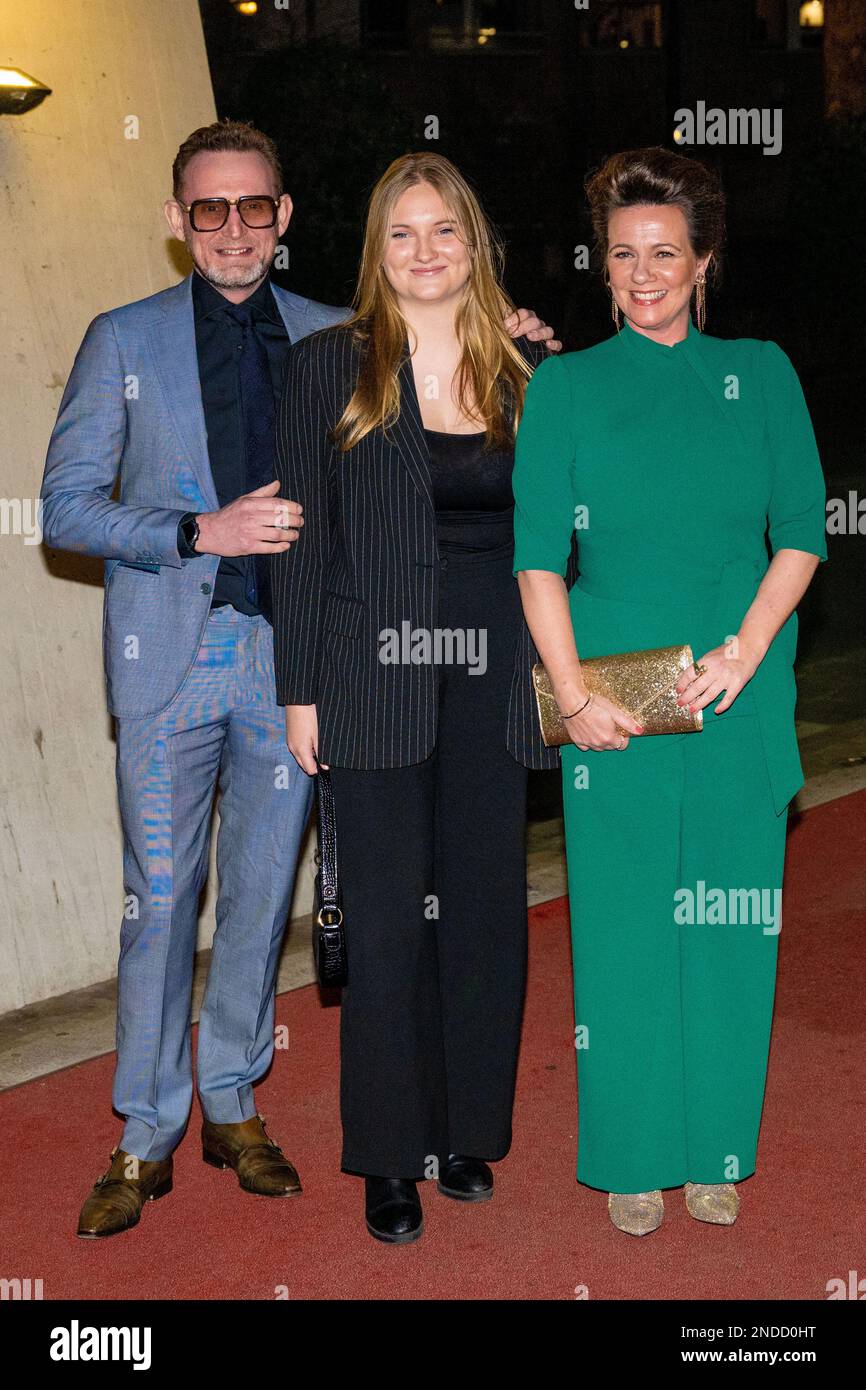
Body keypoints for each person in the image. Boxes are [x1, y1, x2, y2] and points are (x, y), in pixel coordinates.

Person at [40, 119, 555, 1239]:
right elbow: (64, 507)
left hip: (329, 660)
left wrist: (522, 336)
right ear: (179, 221)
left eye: (254, 207)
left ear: (284, 218)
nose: (233, 227)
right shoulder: (123, 339)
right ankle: (144, 1131)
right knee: (165, 901)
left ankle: (236, 1104)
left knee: (274, 901)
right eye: (209, 209)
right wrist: (197, 530)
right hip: (200, 655)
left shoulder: (341, 330)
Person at [512, 146, 826, 1236]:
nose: (641, 274)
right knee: (625, 932)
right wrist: (568, 695)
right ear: (599, 270)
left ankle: (716, 1150)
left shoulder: (761, 374)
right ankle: (633, 1152)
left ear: (701, 265)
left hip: (737, 696)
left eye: (663, 254)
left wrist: (742, 651)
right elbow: (538, 558)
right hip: (614, 708)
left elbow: (798, 534)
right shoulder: (564, 387)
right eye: (620, 256)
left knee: (732, 931)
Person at [272, 152, 563, 1244]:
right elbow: (297, 547)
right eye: (403, 232)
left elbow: (565, 526)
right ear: (375, 250)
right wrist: (298, 689)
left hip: (497, 673)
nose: (425, 250)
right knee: (389, 923)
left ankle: (462, 1135)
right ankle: (388, 1156)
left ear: (473, 244)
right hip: (370, 673)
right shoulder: (325, 368)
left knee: (483, 912)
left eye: (444, 230)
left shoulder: (531, 366)